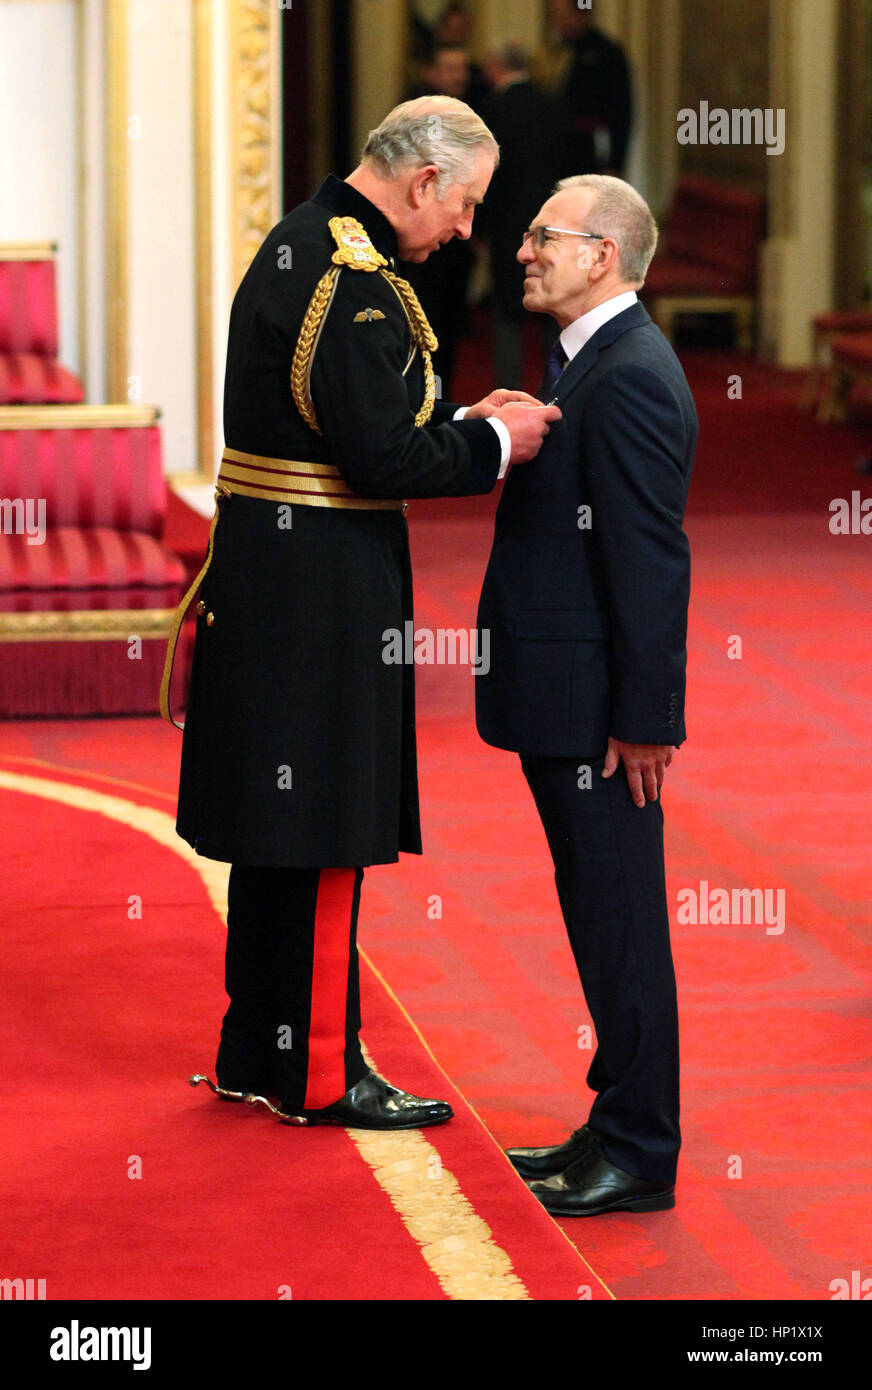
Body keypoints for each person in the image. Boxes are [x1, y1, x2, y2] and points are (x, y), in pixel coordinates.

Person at [163, 97, 559, 1131]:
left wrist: (455, 416)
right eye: (465, 203)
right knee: (324, 826)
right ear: (423, 182)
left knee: (276, 833)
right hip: (320, 591)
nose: (469, 228)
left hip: (278, 576)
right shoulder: (356, 283)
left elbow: (356, 414)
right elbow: (379, 456)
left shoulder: (313, 240)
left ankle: (258, 1048)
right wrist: (491, 447)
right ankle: (318, 1071)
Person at [475, 175, 697, 1213]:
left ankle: (639, 1150)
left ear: (601, 254)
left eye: (542, 237)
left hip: (601, 717)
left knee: (620, 919)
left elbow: (650, 559)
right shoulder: (588, 361)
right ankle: (609, 1123)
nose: (521, 250)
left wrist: (645, 723)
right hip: (565, 695)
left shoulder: (631, 375)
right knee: (597, 911)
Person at [478, 42, 571, 387]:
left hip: (507, 228)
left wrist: (479, 228)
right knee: (556, 310)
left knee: (507, 314)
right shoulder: (555, 106)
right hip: (558, 225)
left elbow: (485, 178)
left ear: (495, 66)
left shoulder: (490, 111)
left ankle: (508, 394)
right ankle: (557, 390)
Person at [533, 0, 633, 176]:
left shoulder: (607, 52)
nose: (558, 22)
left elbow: (622, 112)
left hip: (590, 149)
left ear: (581, 13)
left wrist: (615, 163)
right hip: (555, 151)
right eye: (555, 16)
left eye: (563, 15)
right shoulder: (553, 51)